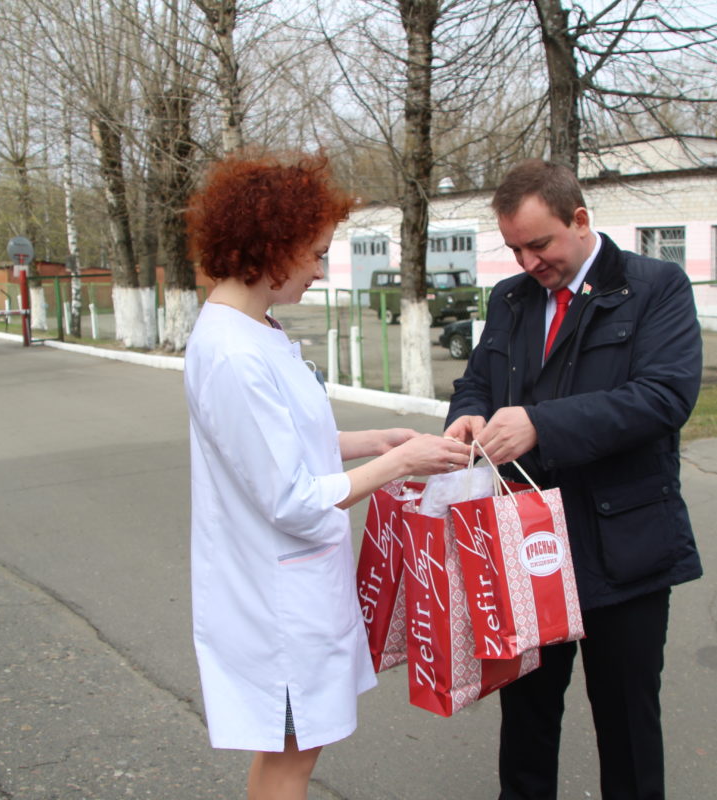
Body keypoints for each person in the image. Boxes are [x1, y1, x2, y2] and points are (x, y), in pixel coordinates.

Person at [184, 151, 472, 800]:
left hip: (292, 586)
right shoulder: (233, 353)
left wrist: (376, 440)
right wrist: (399, 464)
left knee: (292, 751)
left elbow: (282, 446)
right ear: (271, 247)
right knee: (290, 760)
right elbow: (288, 496)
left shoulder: (254, 330)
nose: (321, 270)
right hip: (276, 600)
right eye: (314, 254)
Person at [444, 159, 703, 800]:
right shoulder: (510, 299)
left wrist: (540, 425)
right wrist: (467, 415)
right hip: (526, 545)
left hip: (623, 543)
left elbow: (663, 397)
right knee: (527, 715)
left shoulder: (655, 287)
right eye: (514, 248)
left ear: (580, 220)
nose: (529, 261)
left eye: (540, 244)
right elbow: (477, 379)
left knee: (626, 723)